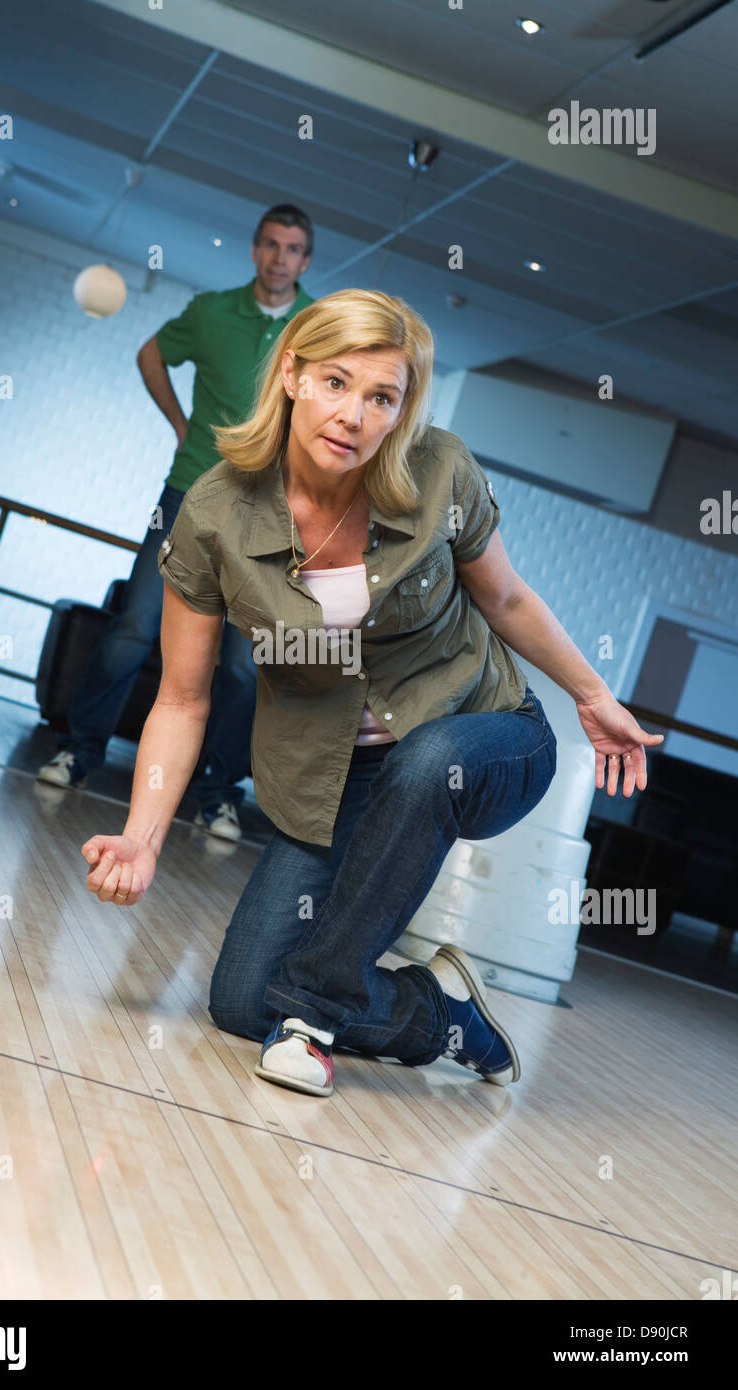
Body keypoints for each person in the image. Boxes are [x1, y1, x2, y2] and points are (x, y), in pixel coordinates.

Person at [79, 288, 665, 1098]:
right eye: (335, 383)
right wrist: (143, 837)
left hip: (484, 734)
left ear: (402, 410)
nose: (352, 414)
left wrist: (590, 697)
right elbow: (181, 700)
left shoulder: (439, 472)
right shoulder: (212, 516)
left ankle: (314, 1014)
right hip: (336, 778)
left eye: (381, 397)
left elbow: (505, 600)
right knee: (243, 1000)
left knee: (426, 762)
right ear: (291, 375)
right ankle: (441, 1014)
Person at [37, 203, 314, 841]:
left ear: (305, 260)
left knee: (244, 666)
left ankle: (216, 794)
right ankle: (78, 752)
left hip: (272, 514)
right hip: (188, 491)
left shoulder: (317, 326)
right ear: (254, 250)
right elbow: (150, 355)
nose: (280, 258)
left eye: (293, 249)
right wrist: (183, 427)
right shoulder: (211, 312)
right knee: (134, 628)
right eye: (270, 245)